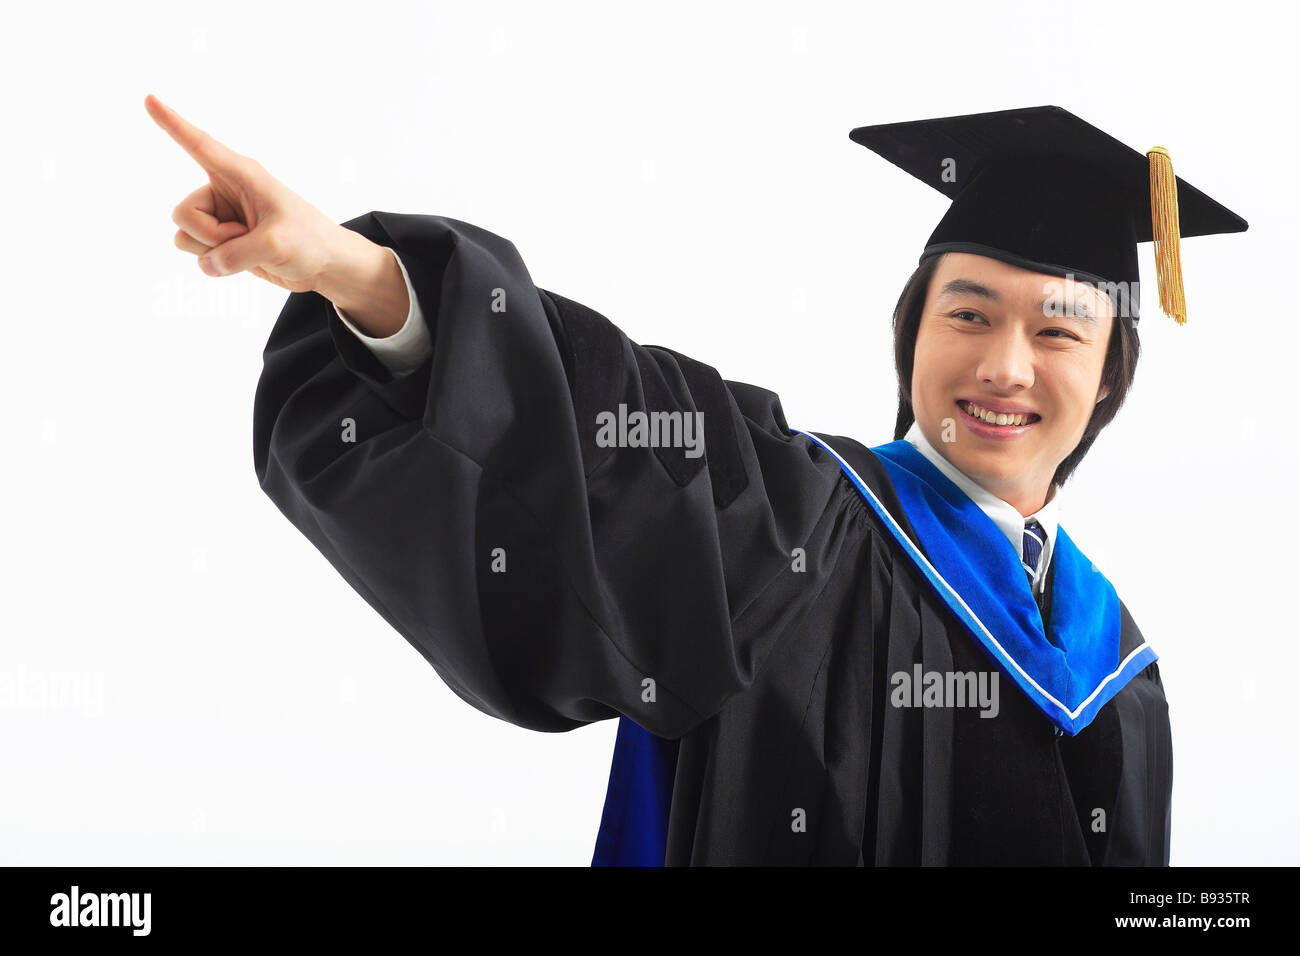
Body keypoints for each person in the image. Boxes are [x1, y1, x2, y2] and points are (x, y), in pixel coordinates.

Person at [147, 96, 1247, 865]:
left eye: (1057, 331)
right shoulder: (798, 519)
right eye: (967, 314)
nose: (1003, 364)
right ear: (911, 336)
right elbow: (614, 428)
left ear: (1107, 379)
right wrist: (366, 279)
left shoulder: (1118, 664)